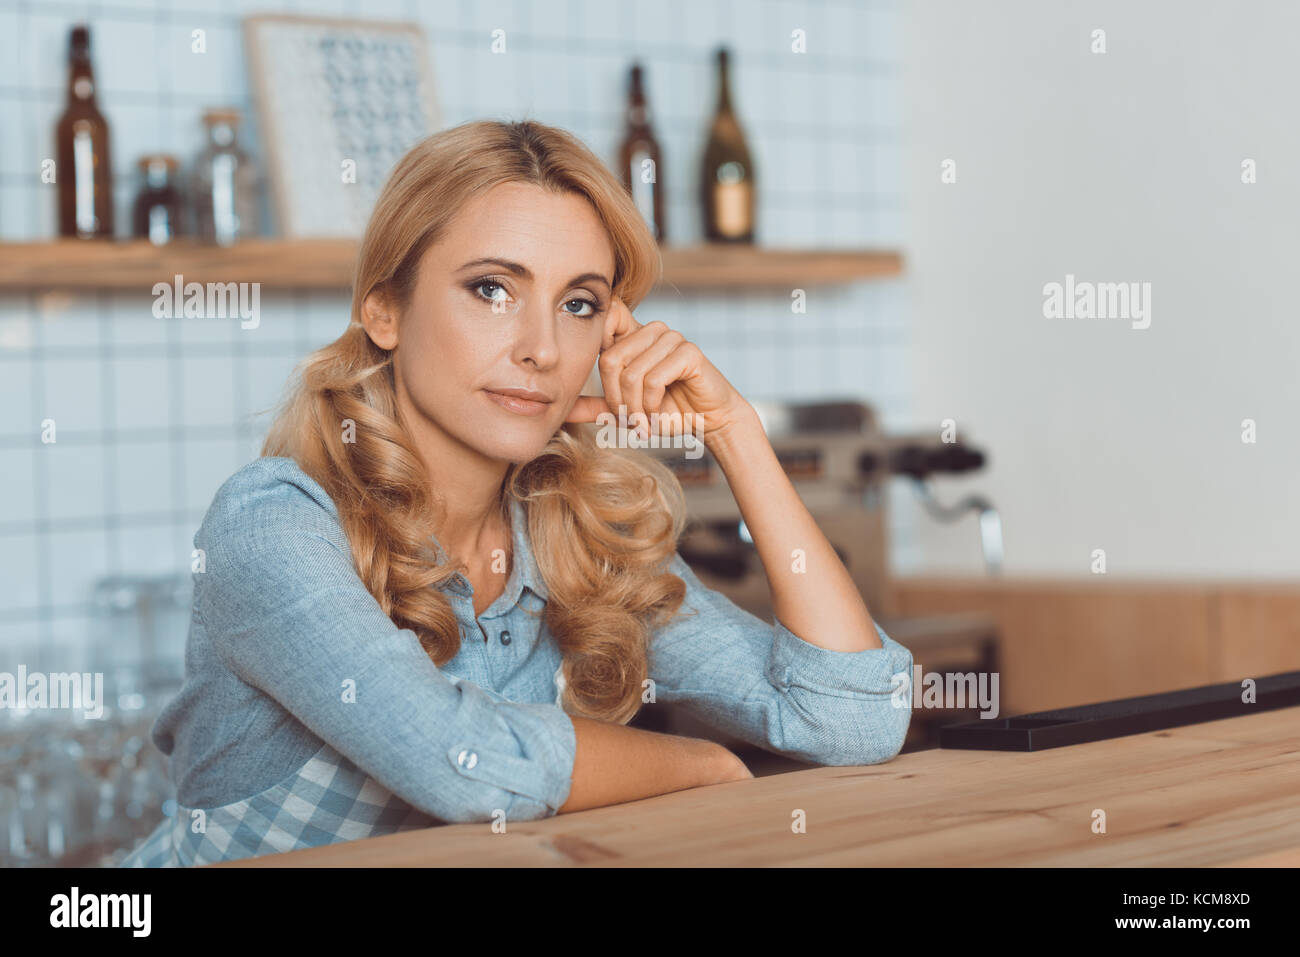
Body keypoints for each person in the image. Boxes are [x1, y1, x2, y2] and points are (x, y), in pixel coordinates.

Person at [120, 119, 912, 866]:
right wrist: (701, 762)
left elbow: (851, 719)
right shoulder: (271, 523)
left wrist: (733, 429)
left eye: (578, 304)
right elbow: (461, 761)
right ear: (384, 309)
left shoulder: (578, 538)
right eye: (492, 289)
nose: (542, 348)